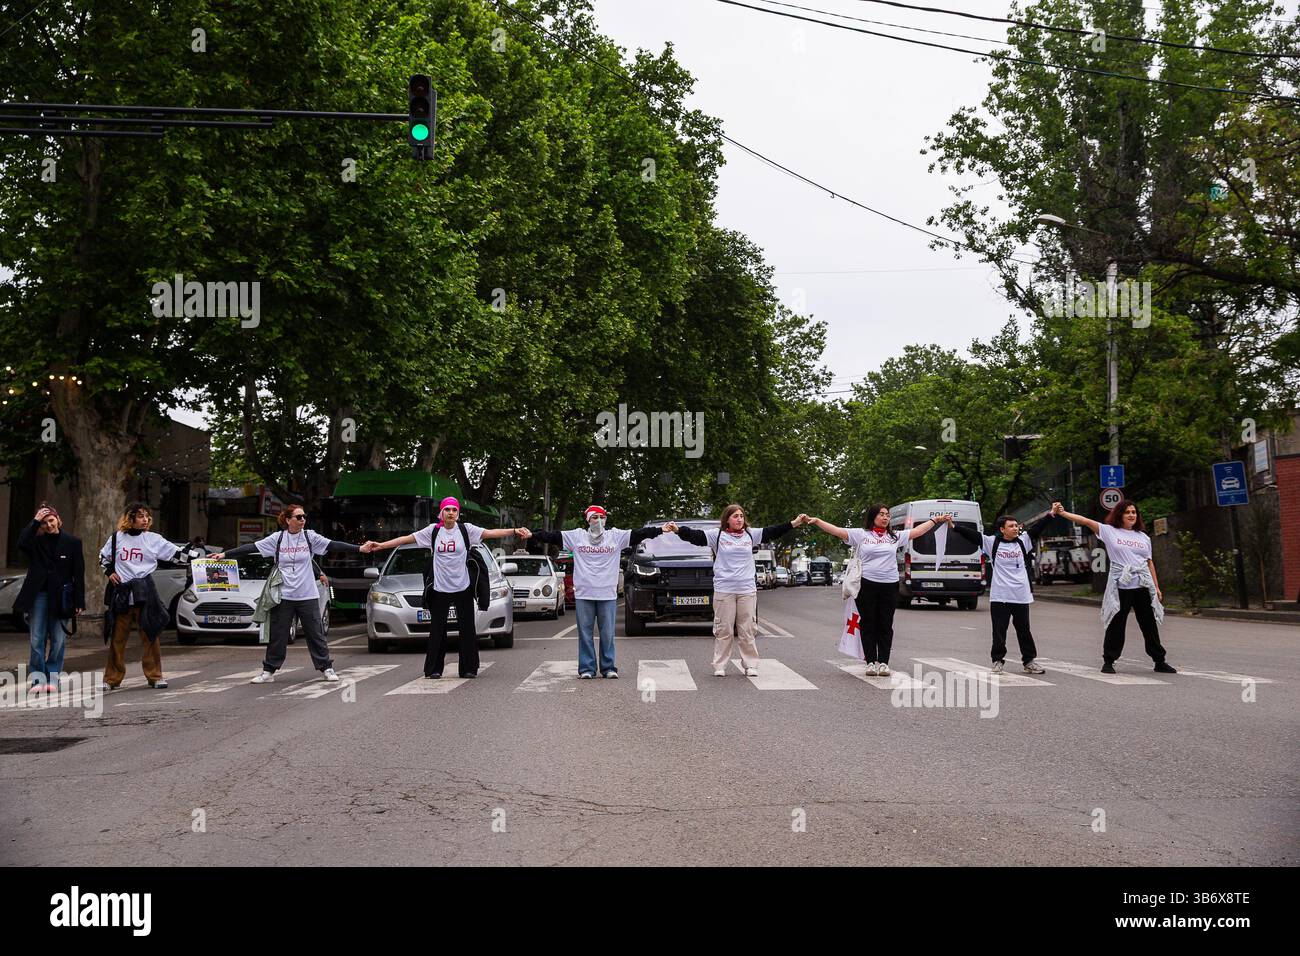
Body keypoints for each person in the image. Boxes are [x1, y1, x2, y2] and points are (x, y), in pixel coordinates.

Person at [367, 497, 525, 679]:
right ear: (441, 513)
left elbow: (490, 533)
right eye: (447, 509)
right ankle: (433, 669)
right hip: (440, 589)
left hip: (463, 587)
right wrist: (381, 545)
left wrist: (514, 530)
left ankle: (468, 669)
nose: (451, 512)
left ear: (458, 513)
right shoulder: (432, 532)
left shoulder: (466, 530)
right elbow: (406, 539)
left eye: (454, 510)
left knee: (467, 629)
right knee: (437, 630)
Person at [213, 505, 364, 684]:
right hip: (283, 595)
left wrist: (360, 549)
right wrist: (224, 555)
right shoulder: (277, 539)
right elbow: (250, 547)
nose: (302, 520)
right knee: (278, 634)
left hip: (307, 595)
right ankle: (269, 671)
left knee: (315, 633)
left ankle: (327, 668)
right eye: (298, 517)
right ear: (287, 519)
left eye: (304, 517)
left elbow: (332, 544)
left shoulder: (310, 537)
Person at [522, 506, 673, 679]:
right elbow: (552, 536)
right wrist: (532, 535)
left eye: (602, 517)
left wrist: (661, 529)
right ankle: (587, 668)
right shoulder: (577, 536)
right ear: (588, 520)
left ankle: (608, 667)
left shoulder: (615, 536)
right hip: (584, 594)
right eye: (595, 517)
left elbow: (640, 533)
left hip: (607, 594)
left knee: (607, 633)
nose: (599, 521)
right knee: (585, 633)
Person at [809, 506, 952, 676]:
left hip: (889, 586)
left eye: (887, 515)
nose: (885, 518)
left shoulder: (894, 537)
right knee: (868, 623)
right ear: (873, 517)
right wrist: (817, 521)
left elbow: (917, 531)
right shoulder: (861, 535)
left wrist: (936, 520)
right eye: (881, 514)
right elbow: (837, 531)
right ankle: (870, 662)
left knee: (885, 624)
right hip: (866, 585)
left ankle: (884, 662)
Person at [674, 506, 808, 677]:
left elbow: (773, 531)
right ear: (727, 519)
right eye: (735, 516)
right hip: (724, 589)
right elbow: (696, 536)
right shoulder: (718, 535)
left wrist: (794, 523)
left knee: (747, 629)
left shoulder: (751, 534)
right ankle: (720, 665)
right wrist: (678, 530)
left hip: (746, 589)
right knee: (724, 629)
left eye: (741, 516)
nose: (739, 519)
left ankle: (750, 664)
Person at [1053, 499, 1176, 674]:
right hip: (1121, 586)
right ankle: (1109, 661)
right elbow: (1085, 521)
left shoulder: (1143, 537)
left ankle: (1159, 661)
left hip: (1142, 585)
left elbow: (1149, 563)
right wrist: (1062, 513)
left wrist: (1156, 587)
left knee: (1149, 625)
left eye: (1134, 512)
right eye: (1127, 512)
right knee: (1116, 624)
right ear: (1120, 515)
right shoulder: (1109, 531)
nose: (1132, 515)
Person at [98, 502, 198, 690]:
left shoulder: (153, 539)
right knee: (118, 637)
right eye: (140, 516)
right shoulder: (116, 538)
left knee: (150, 633)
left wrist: (197, 555)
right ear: (130, 518)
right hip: (122, 592)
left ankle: (155, 675)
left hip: (145, 590)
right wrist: (109, 571)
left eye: (146, 516)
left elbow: (176, 554)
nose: (145, 520)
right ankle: (112, 678)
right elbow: (103, 557)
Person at [949, 513, 1052, 674]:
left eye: (1016, 525)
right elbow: (973, 535)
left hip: (1021, 595)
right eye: (1011, 526)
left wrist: (1051, 514)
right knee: (999, 630)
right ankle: (997, 661)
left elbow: (1036, 529)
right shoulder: (992, 543)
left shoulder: (1023, 541)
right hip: (1000, 596)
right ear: (1002, 529)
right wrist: (954, 526)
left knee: (1024, 629)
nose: (1015, 528)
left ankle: (1029, 661)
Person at [13, 504, 85, 692]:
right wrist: (35, 521)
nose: (48, 525)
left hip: (62, 597)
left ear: (58, 520)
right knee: (36, 639)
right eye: (44, 523)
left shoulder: (73, 543)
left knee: (58, 639)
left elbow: (79, 573)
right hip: (38, 595)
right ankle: (38, 679)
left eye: (51, 520)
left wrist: (79, 601)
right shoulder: (36, 542)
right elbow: (21, 543)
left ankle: (53, 678)